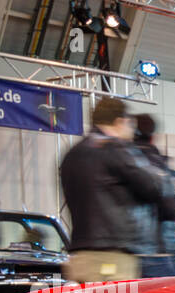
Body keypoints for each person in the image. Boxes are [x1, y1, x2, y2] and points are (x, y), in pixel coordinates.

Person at [59, 96, 162, 282]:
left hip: (79, 257)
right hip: (110, 258)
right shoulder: (115, 149)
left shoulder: (71, 154)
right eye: (130, 125)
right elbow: (152, 187)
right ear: (120, 121)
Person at [130, 114, 175, 278]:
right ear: (153, 137)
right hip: (161, 252)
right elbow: (172, 208)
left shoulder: (122, 162)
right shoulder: (164, 166)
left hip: (128, 253)